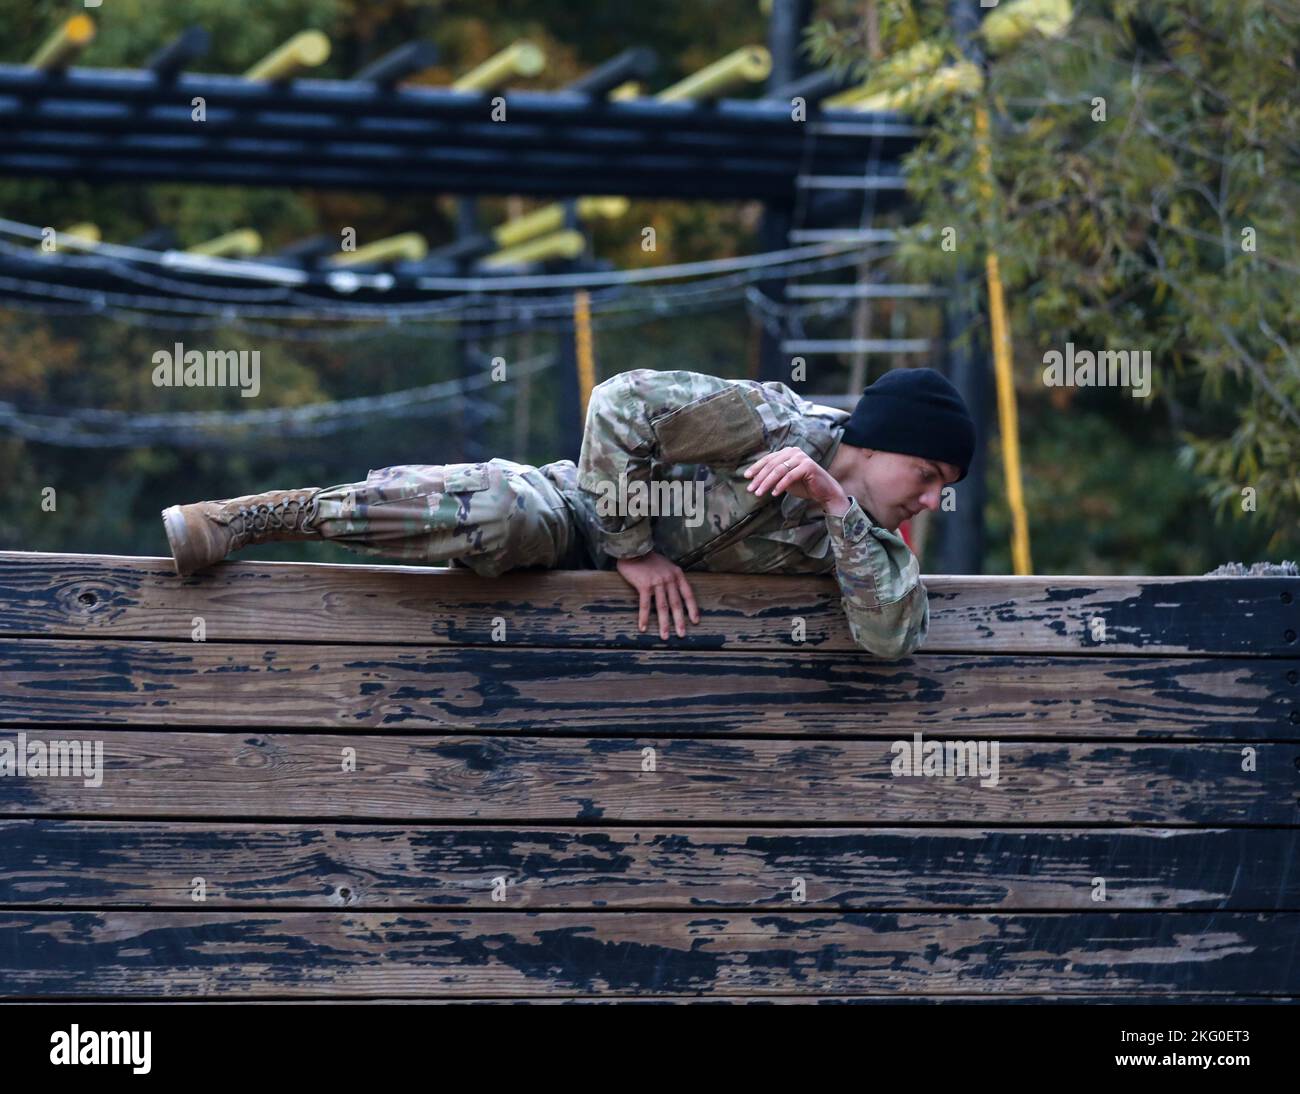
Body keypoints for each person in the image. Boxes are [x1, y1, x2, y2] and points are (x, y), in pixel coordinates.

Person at [161, 366, 975, 659]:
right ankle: (260, 516)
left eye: (947, 487)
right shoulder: (767, 422)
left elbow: (890, 637)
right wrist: (631, 546)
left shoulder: (863, 532)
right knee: (500, 513)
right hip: (581, 515)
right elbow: (619, 403)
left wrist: (831, 503)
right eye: (929, 473)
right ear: (878, 442)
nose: (933, 498)